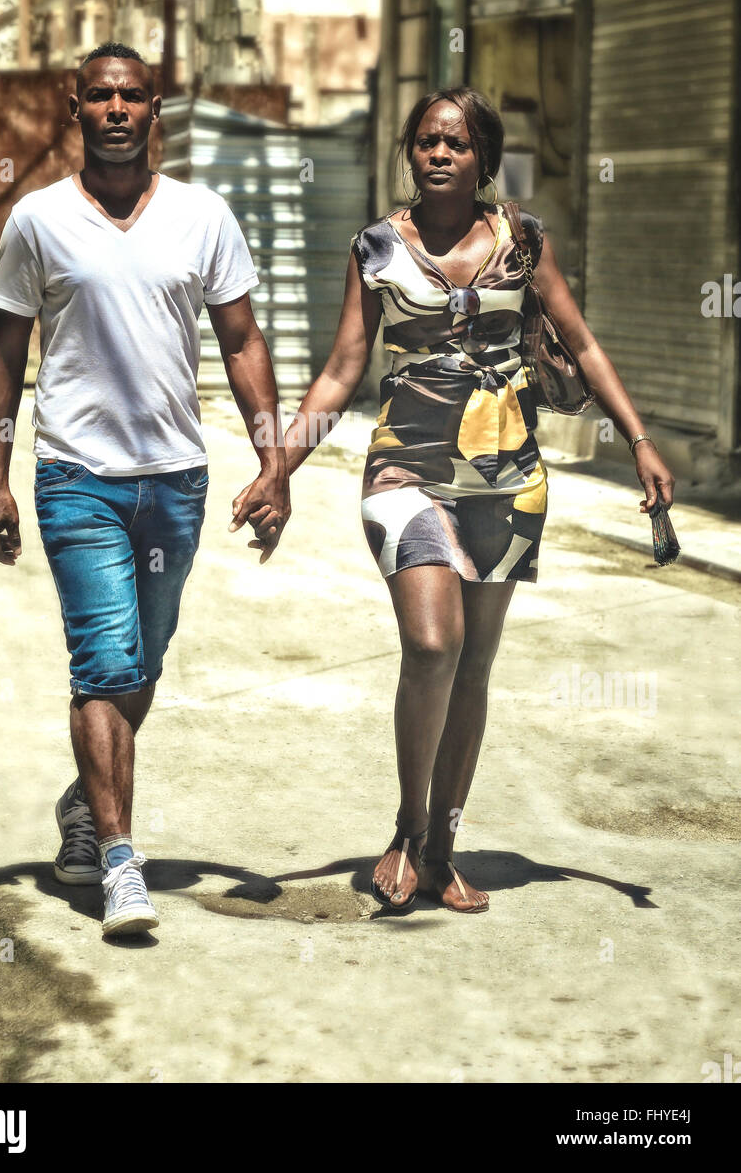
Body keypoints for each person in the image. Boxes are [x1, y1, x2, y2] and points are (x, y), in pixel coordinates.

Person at [281, 86, 674, 914]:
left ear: (482, 158)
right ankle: (406, 826)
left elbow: (581, 341)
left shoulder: (524, 241)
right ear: (410, 152)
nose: (438, 153)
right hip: (407, 470)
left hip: (507, 478)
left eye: (456, 143)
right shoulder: (376, 247)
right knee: (433, 646)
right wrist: (278, 467)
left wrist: (638, 440)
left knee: (474, 668)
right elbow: (344, 366)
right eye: (425, 140)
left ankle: (443, 846)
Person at [0, 42, 289, 938]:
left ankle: (86, 802)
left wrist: (273, 463)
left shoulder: (203, 216)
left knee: (142, 665)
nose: (117, 109)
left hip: (175, 482)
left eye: (134, 97)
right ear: (74, 107)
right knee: (105, 664)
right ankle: (120, 860)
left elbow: (241, 341)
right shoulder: (37, 220)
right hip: (76, 476)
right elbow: (3, 350)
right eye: (101, 96)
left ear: (159, 110)